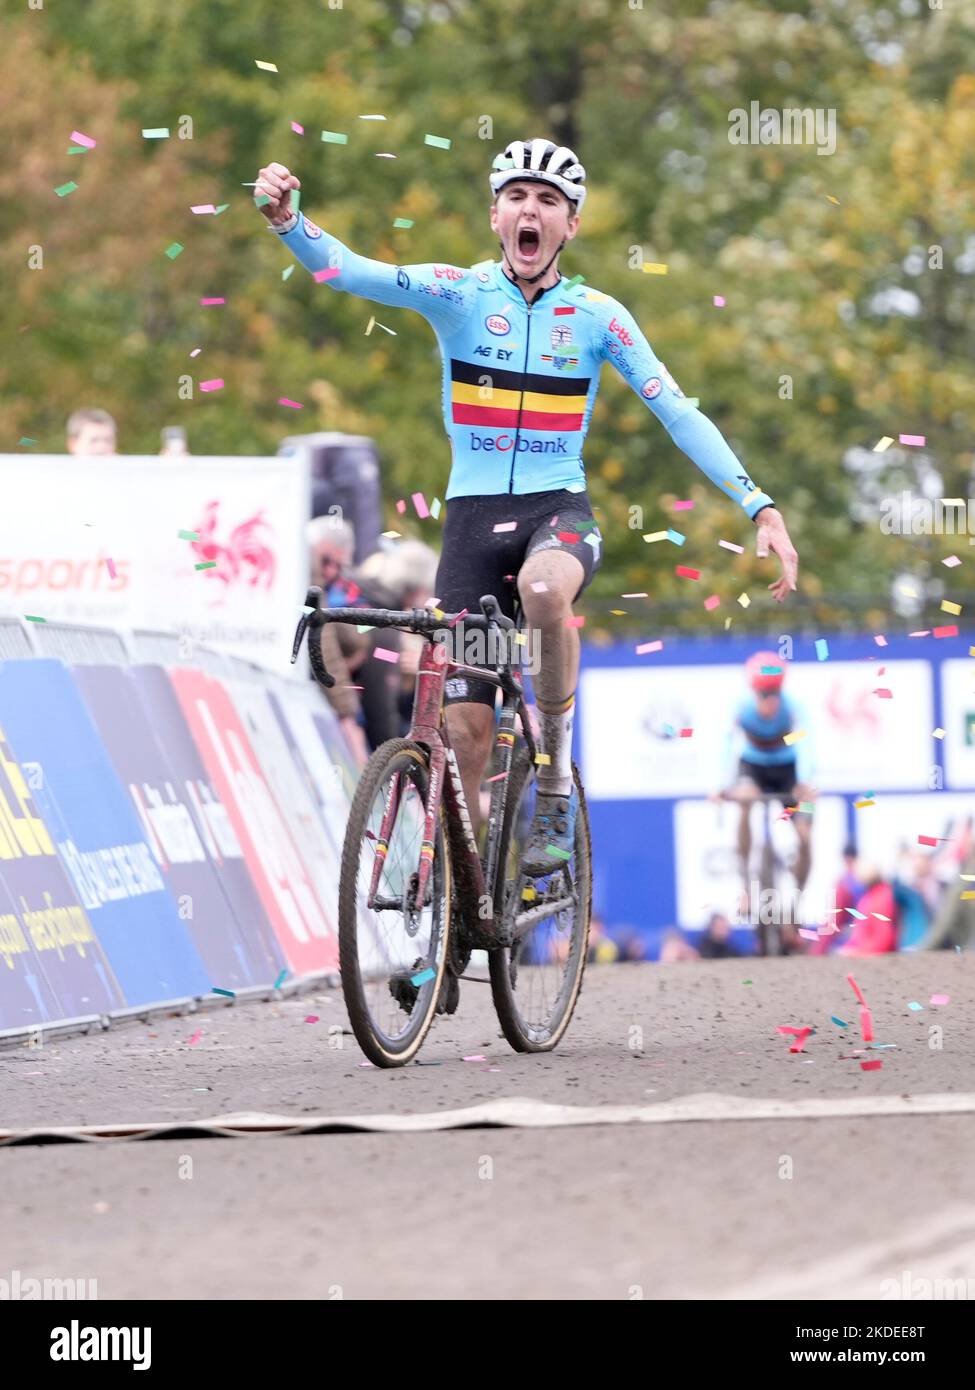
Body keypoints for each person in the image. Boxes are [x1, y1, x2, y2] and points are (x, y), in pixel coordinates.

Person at [254, 141, 799, 875]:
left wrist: (757, 505)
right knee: (466, 745)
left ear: (570, 225)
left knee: (544, 592)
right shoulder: (458, 293)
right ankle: (451, 912)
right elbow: (348, 272)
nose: (529, 211)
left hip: (556, 515)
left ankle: (552, 784)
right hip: (472, 532)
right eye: (516, 197)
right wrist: (289, 221)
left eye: (547, 201)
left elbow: (678, 412)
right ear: (495, 215)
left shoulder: (598, 316)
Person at [715, 651, 816, 909]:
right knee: (745, 801)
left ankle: (796, 904)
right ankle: (746, 886)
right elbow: (725, 744)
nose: (769, 700)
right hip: (753, 766)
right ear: (753, 691)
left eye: (775, 693)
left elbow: (805, 742)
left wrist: (805, 782)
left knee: (804, 835)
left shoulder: (793, 706)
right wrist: (721, 786)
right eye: (763, 694)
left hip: (787, 769)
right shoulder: (741, 707)